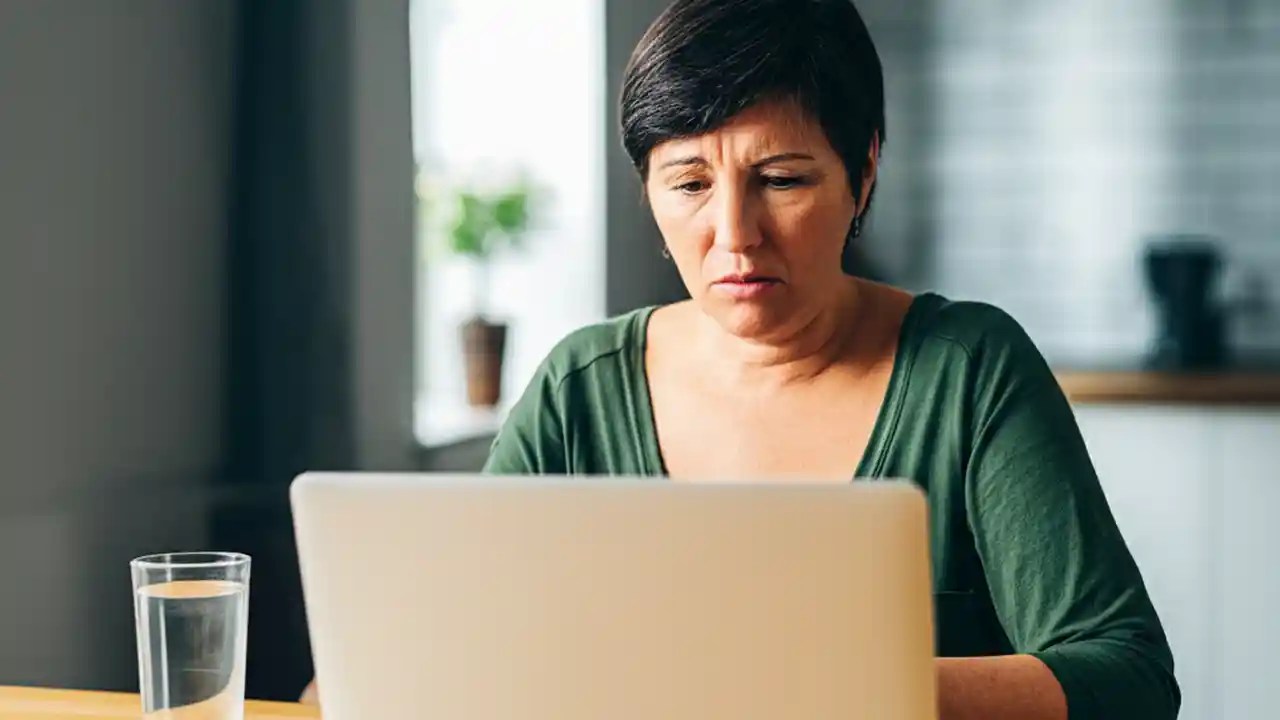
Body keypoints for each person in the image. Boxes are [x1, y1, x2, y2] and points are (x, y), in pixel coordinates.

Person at [481, 1, 1180, 719]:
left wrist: (845, 684)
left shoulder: (969, 370)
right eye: (690, 184)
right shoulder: (577, 391)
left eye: (782, 181)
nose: (735, 235)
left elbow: (1127, 679)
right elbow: (472, 649)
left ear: (864, 172)